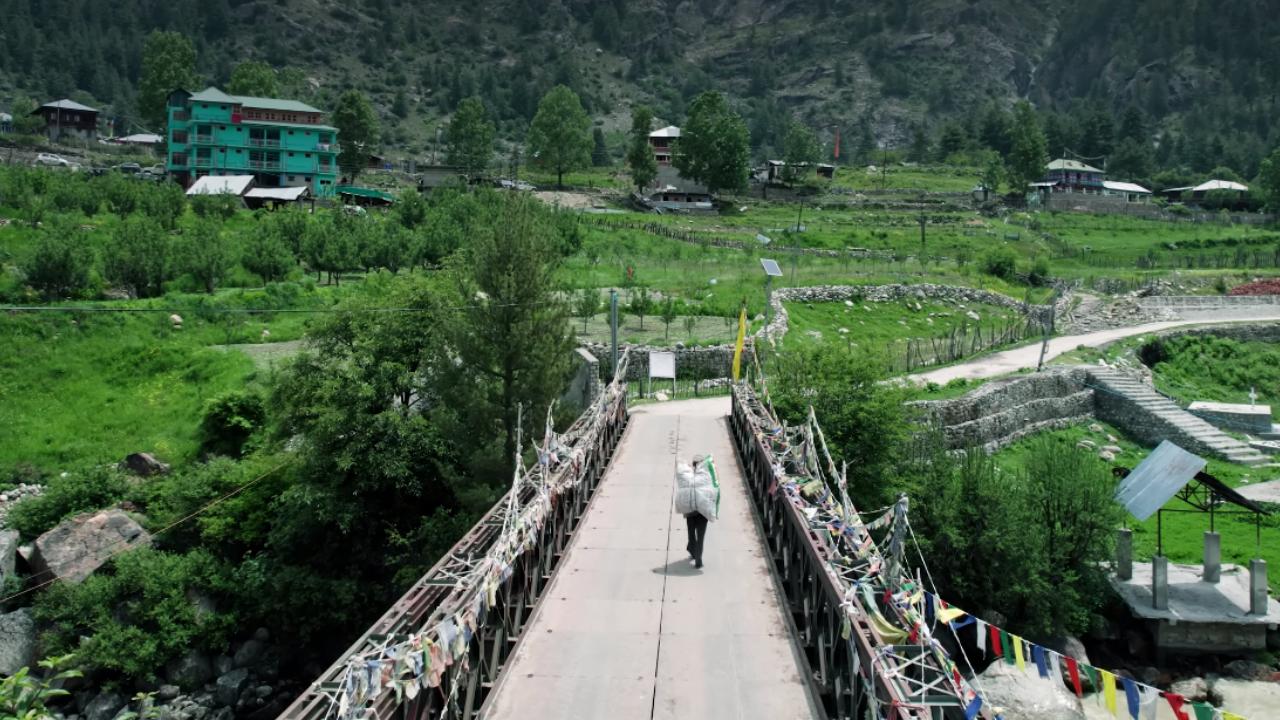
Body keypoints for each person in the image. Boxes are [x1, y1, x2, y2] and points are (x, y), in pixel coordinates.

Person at [676, 454, 717, 569]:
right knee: (701, 536)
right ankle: (698, 557)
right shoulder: (706, 475)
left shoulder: (687, 475)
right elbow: (713, 489)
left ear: (693, 464)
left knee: (691, 533)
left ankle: (692, 550)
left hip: (690, 511)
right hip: (702, 512)